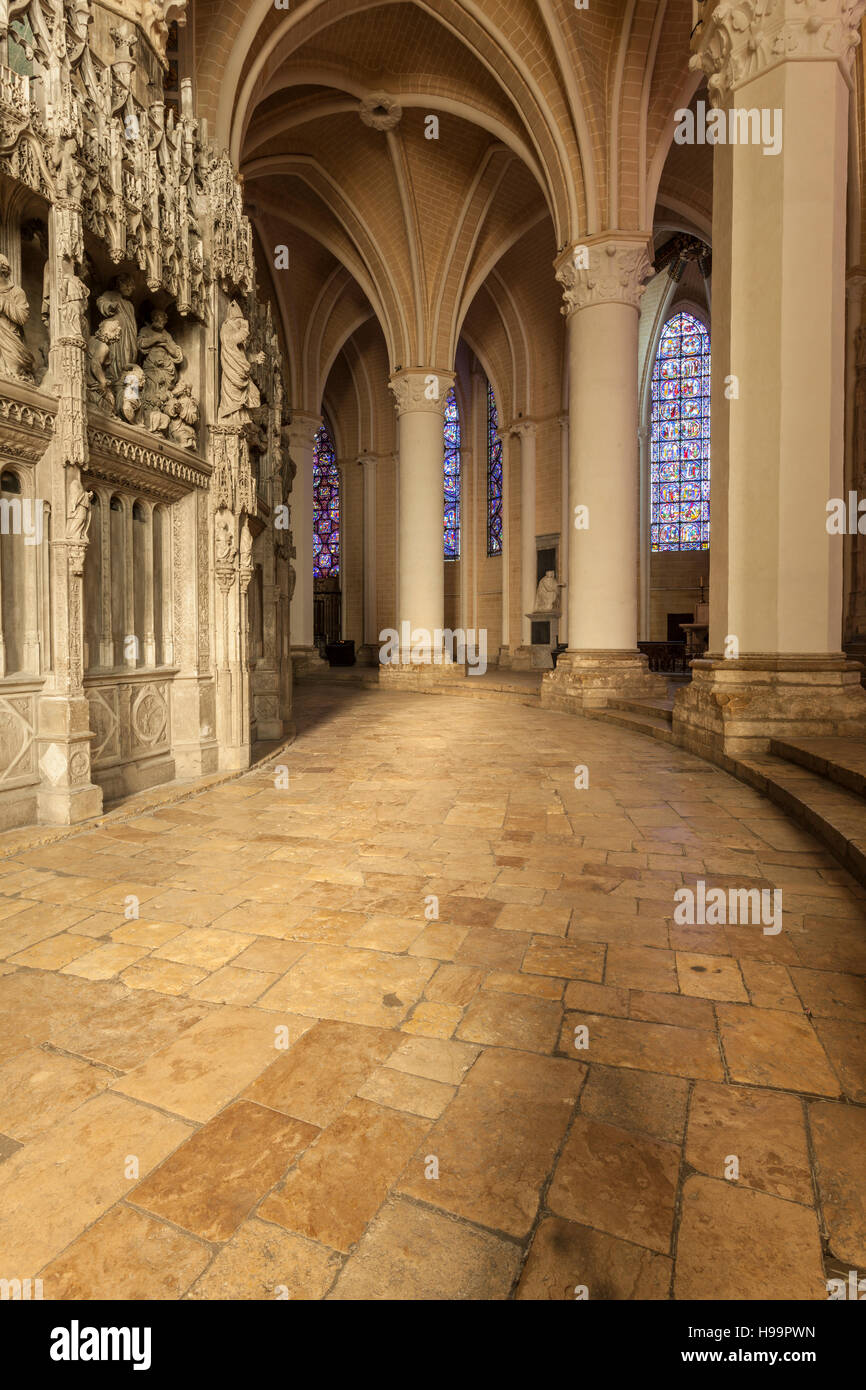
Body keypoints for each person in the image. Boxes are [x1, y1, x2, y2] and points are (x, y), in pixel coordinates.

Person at [0, 254, 35, 381]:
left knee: (14, 373)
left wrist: (4, 304)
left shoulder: (16, 292)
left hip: (11, 339)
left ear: (3, 268)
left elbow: (23, 317)